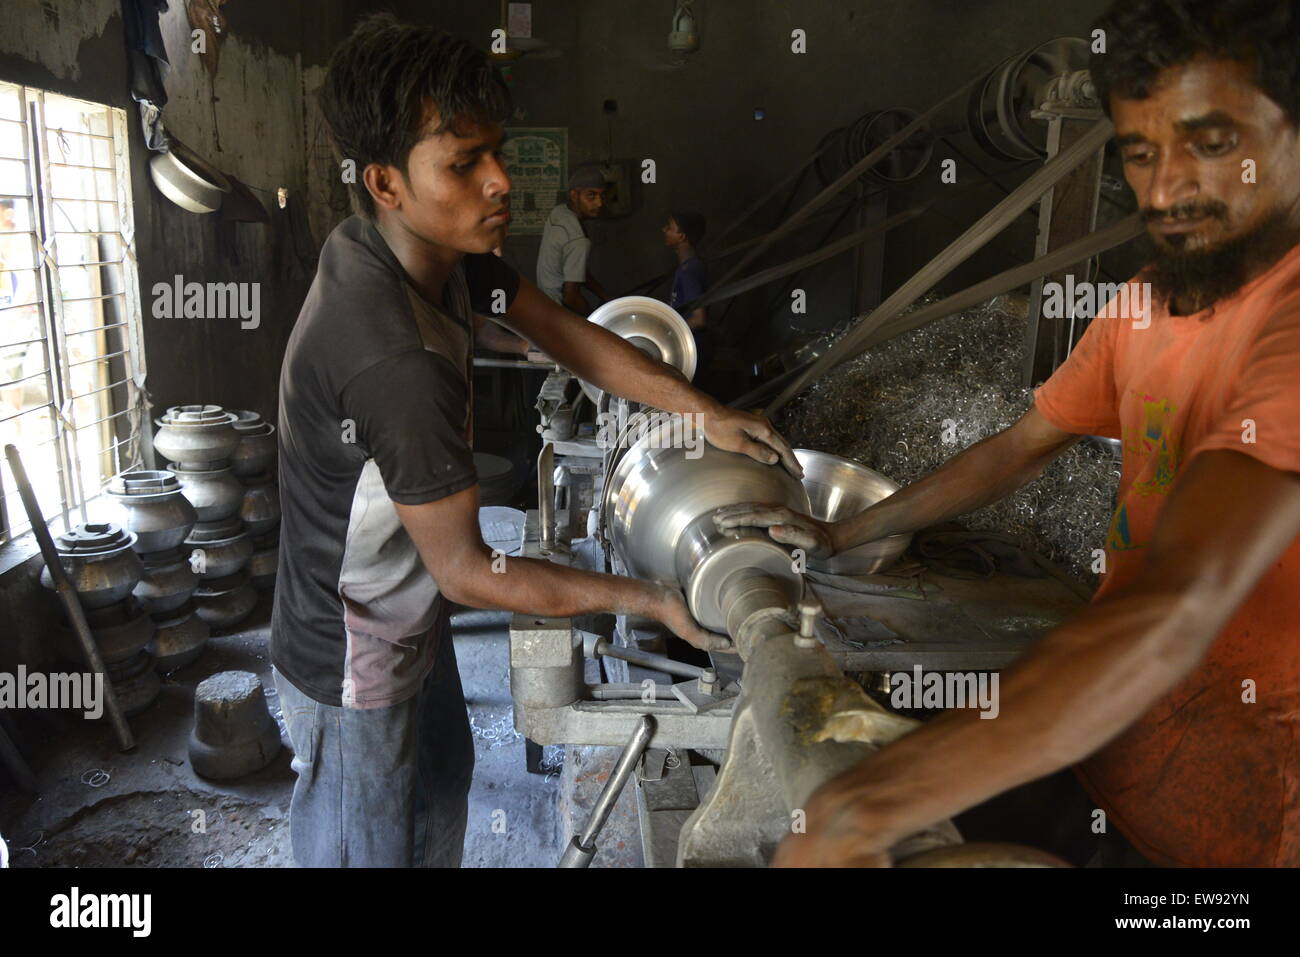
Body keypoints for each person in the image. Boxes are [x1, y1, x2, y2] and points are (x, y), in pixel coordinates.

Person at [719, 0, 1300, 867]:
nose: (1168, 186)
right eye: (1141, 152)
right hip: (1119, 757)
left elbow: (1179, 606)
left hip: (1244, 826)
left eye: (1211, 143)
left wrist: (877, 796)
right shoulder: (1143, 307)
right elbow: (1020, 446)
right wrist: (850, 530)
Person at [271, 14, 801, 868]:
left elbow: (571, 334)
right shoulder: (392, 355)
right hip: (349, 653)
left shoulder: (423, 252)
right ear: (385, 181)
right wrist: (652, 601)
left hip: (405, 618)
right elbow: (471, 571)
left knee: (442, 784)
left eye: (497, 151)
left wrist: (696, 410)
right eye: (463, 163)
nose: (500, 182)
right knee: (366, 846)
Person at [536, 166, 610, 314]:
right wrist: (596, 323)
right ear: (574, 195)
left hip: (543, 300)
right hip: (558, 311)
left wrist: (605, 296)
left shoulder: (559, 212)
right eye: (591, 196)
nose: (599, 203)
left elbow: (576, 267)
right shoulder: (578, 241)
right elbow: (571, 298)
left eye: (602, 196)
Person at [662, 209, 714, 386]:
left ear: (682, 236)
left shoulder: (689, 271)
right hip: (691, 348)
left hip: (694, 350)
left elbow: (699, 319)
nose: (664, 230)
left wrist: (666, 331)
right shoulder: (687, 267)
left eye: (670, 228)